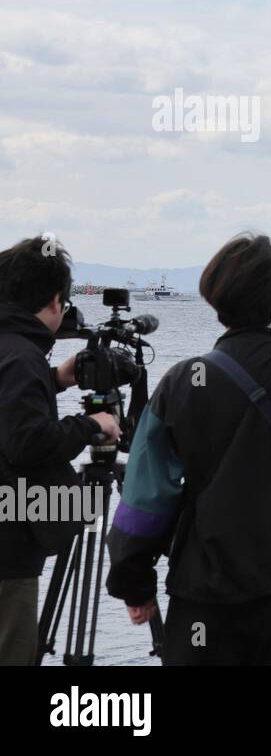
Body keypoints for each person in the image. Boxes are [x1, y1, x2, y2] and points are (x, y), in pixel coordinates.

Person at [106, 233, 271, 665]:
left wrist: (134, 582)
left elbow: (145, 499)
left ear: (214, 296)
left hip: (205, 593)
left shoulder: (181, 383)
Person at [0, 236, 120, 665]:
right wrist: (92, 425)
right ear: (55, 300)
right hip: (8, 555)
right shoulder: (21, 358)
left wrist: (54, 380)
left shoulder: (12, 353)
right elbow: (27, 442)